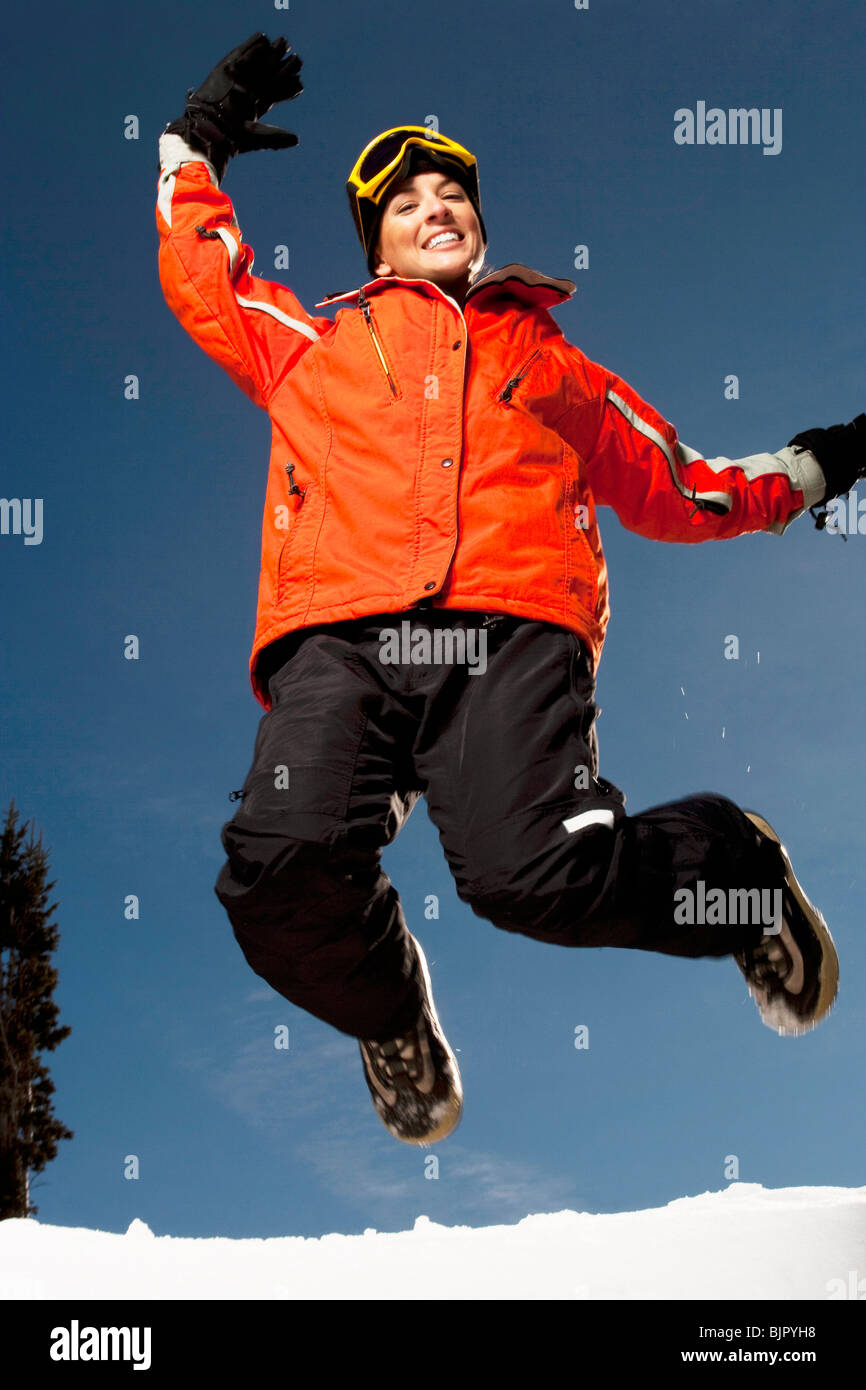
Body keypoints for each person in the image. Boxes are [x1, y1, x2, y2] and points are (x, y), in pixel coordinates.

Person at [157, 34, 862, 1146]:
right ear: (376, 242)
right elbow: (204, 271)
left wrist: (814, 467)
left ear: (478, 226)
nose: (436, 206)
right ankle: (389, 1009)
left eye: (453, 194)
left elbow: (685, 484)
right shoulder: (313, 343)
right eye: (405, 200)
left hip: (508, 630)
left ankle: (736, 872)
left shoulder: (553, 365)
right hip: (340, 642)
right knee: (277, 868)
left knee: (537, 874)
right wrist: (196, 141)